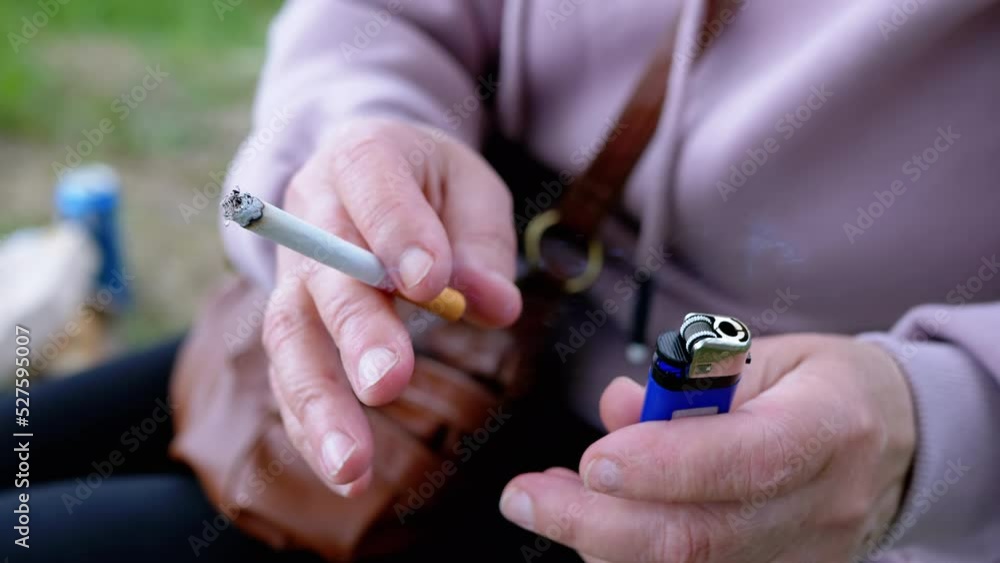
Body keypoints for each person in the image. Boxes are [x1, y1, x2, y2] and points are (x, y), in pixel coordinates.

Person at [222, 1, 999, 561]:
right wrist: (362, 134)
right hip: (481, 349)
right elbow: (381, 18)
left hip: (806, 492)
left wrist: (940, 419)